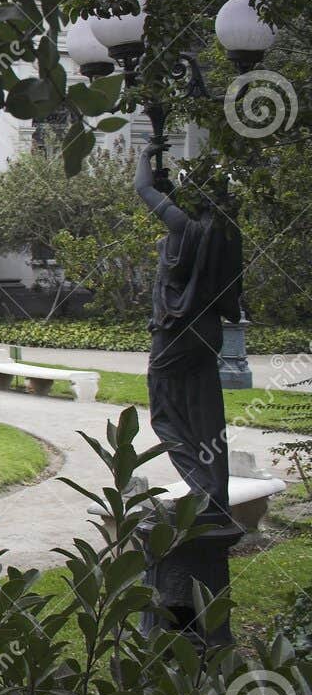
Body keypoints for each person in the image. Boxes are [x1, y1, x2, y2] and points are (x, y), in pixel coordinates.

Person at [134, 140, 244, 528]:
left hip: (175, 335)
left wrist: (144, 156)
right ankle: (215, 495)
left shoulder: (183, 228)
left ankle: (201, 492)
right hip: (207, 332)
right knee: (206, 414)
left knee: (165, 413)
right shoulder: (225, 233)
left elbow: (142, 189)